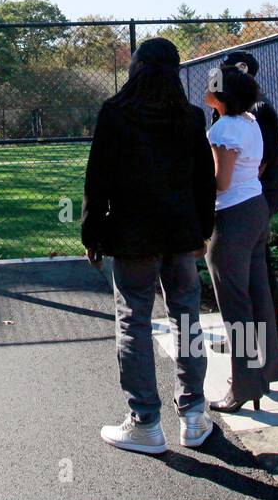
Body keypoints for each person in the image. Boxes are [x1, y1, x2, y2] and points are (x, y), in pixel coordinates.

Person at [81, 38, 218, 454]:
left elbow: (97, 179)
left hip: (133, 236)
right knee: (186, 319)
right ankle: (193, 414)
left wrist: (92, 234)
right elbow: (204, 183)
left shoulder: (116, 113)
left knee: (134, 322)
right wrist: (203, 232)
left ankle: (145, 421)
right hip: (180, 236)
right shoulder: (191, 117)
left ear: (137, 68)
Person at [203, 66, 278, 412]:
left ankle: (244, 385)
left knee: (235, 304)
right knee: (258, 296)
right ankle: (263, 373)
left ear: (223, 95)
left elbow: (220, 182)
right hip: (256, 209)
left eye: (212, 85)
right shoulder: (251, 122)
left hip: (231, 217)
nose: (207, 88)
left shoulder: (224, 128)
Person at [221, 50, 278, 364]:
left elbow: (256, 163)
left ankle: (271, 342)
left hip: (251, 199)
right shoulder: (240, 108)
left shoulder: (256, 110)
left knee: (254, 275)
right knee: (251, 273)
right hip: (249, 199)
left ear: (241, 71)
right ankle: (259, 342)